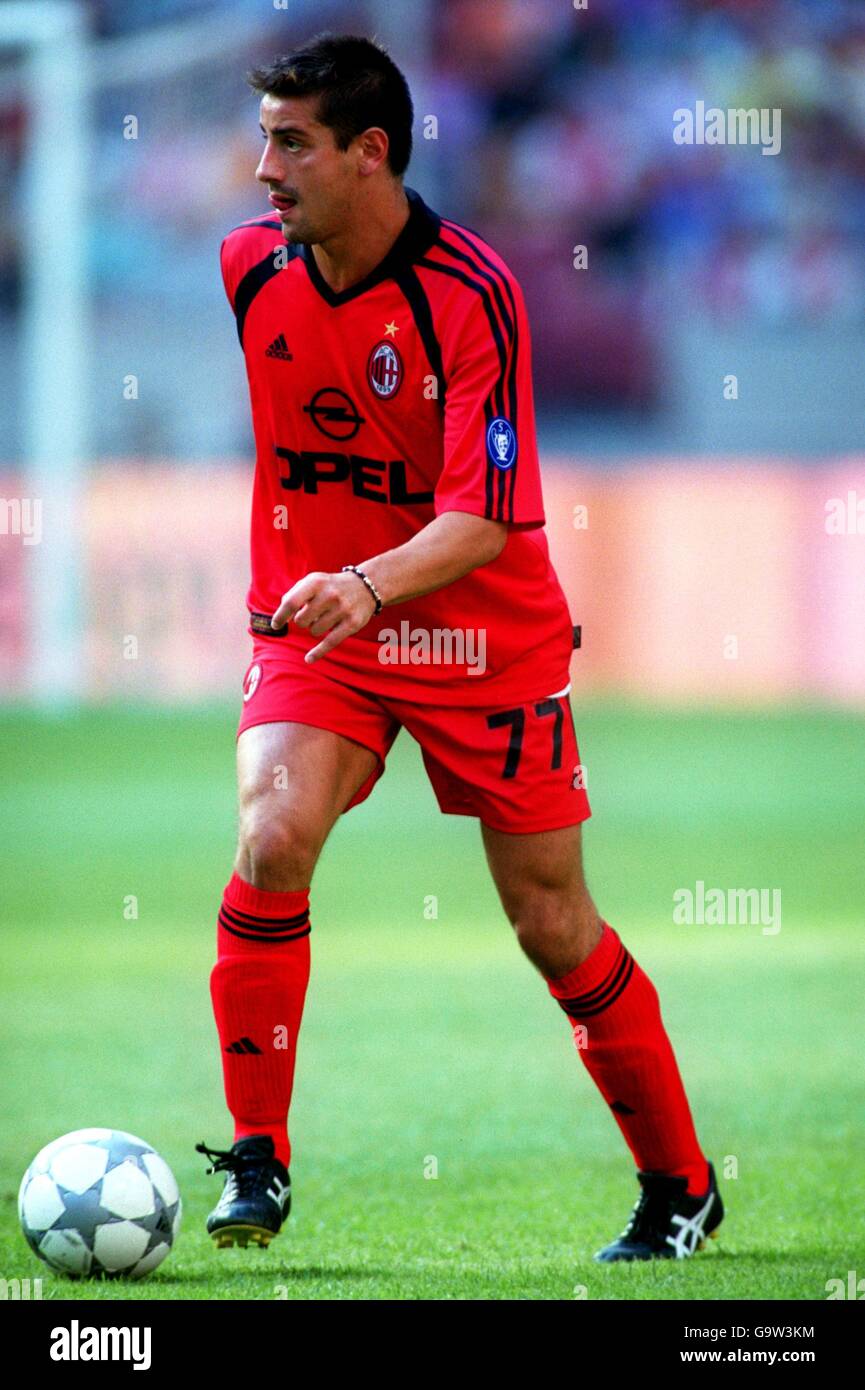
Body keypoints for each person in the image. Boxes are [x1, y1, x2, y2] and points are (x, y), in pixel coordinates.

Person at [196, 32, 723, 1263]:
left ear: (369, 152)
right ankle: (257, 1159)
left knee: (550, 921)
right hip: (321, 628)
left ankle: (681, 1185)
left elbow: (482, 517)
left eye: (290, 143)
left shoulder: (470, 292)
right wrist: (333, 591)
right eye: (263, 139)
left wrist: (365, 583)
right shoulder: (248, 268)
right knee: (271, 836)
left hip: (477, 641)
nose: (262, 169)